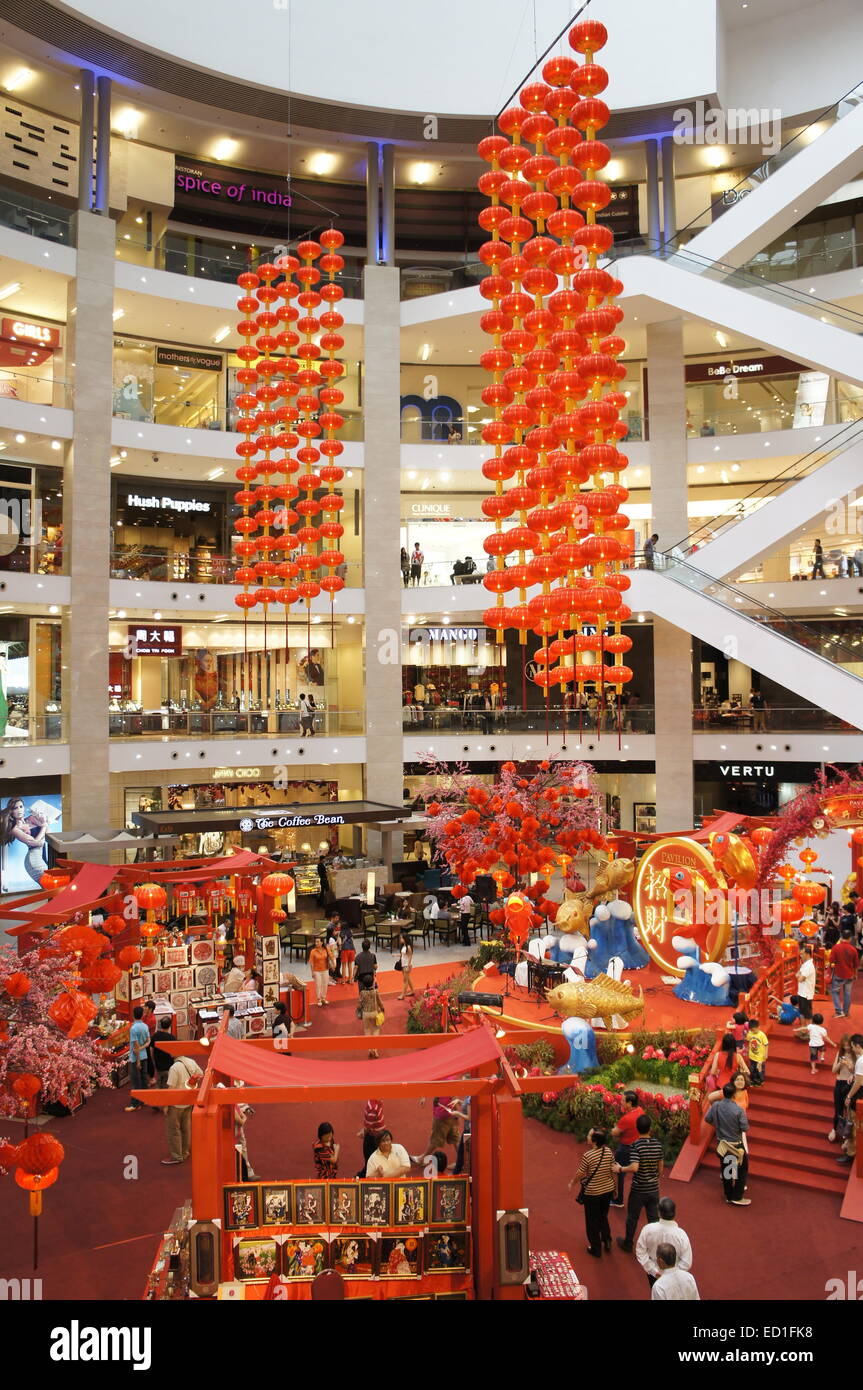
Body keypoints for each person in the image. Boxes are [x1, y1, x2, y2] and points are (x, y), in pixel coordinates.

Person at [614, 1113, 663, 1251]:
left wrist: (621, 1169)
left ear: (637, 1128)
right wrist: (655, 1177)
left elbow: (634, 1167)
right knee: (654, 1219)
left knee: (632, 1217)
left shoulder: (636, 1145)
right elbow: (660, 1166)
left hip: (639, 1189)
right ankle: (655, 1246)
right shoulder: (657, 1144)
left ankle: (628, 1243)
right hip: (653, 1188)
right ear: (650, 1128)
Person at [569, 1127, 616, 1258]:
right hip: (607, 1190)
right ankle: (607, 1240)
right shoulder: (608, 1151)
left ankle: (595, 1248)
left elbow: (581, 1173)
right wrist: (615, 1188)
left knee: (591, 1220)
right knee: (603, 1216)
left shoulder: (588, 1156)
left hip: (593, 1192)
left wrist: (572, 1182)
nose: (587, 1137)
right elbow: (612, 1170)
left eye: (590, 1136)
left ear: (594, 1141)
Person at [704, 1081, 751, 1204]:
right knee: (742, 1169)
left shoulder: (716, 1106)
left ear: (723, 1094)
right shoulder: (738, 1110)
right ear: (734, 1094)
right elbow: (745, 1127)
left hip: (722, 1143)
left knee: (727, 1170)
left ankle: (729, 1195)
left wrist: (719, 1126)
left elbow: (707, 1119)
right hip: (735, 1144)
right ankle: (737, 1196)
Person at [636, 1197, 693, 1288]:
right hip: (675, 1276)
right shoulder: (681, 1235)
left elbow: (640, 1250)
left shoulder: (648, 1229)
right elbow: (687, 1262)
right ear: (674, 1213)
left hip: (654, 1274)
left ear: (659, 1213)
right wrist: (674, 1273)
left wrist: (653, 1270)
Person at [161, 1055, 203, 1165]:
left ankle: (176, 1156)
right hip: (188, 1100)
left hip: (176, 1104)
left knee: (174, 1130)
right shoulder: (191, 1061)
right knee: (186, 1128)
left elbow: (171, 1089)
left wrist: (166, 1105)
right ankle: (185, 1152)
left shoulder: (174, 1068)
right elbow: (201, 1073)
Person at [610, 1090, 644, 1207]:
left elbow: (615, 1133)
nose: (621, 1102)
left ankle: (618, 1200)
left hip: (626, 1149)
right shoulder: (640, 1111)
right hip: (639, 1147)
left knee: (617, 1171)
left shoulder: (626, 1119)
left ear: (629, 1103)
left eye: (623, 1100)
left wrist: (614, 1128)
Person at [838, 1034, 863, 1165]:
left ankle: (851, 1153)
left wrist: (849, 1096)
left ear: (857, 1046)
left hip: (858, 1094)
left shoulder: (860, 1060)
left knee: (853, 1123)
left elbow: (858, 1082)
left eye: (853, 1046)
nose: (852, 1049)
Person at [829, 1035, 855, 1143]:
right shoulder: (839, 1054)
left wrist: (849, 1065)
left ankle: (846, 1134)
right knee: (838, 1109)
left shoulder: (856, 1056)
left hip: (850, 1084)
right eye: (844, 1047)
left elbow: (856, 1072)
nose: (847, 1048)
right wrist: (840, 1062)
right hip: (839, 1083)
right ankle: (835, 1129)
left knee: (848, 1111)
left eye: (848, 1046)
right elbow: (833, 1070)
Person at [125, 1005, 151, 1111]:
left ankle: (135, 1104)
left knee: (136, 1081)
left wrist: (138, 1061)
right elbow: (148, 1041)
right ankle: (144, 1099)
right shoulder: (145, 1026)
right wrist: (142, 1048)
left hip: (136, 1058)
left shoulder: (133, 1028)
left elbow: (135, 1047)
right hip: (144, 1055)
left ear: (133, 1015)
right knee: (144, 1079)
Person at [829, 928, 859, 1018]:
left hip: (839, 973)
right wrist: (855, 974)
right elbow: (856, 964)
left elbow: (832, 961)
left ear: (841, 937)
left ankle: (838, 1012)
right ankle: (846, 1013)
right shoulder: (853, 949)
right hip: (849, 974)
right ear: (850, 938)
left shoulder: (835, 947)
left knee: (834, 992)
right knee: (847, 994)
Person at [357, 1098, 386, 1175]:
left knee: (372, 1162)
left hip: (376, 1137)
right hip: (373, 1140)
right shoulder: (373, 1108)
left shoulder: (376, 1102)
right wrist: (364, 1132)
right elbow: (368, 1127)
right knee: (371, 1164)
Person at [358, 976, 384, 1058]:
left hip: (366, 1013)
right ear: (372, 983)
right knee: (376, 1029)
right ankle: (375, 1050)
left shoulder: (362, 993)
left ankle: (370, 1050)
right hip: (374, 1012)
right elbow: (380, 1002)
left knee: (367, 1030)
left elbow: (359, 1005)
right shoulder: (375, 992)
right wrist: (383, 1010)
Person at [151, 1015, 176, 1090]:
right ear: (169, 1026)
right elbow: (174, 1054)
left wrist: (153, 1061)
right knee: (167, 1085)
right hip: (169, 1066)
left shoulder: (155, 1036)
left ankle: (157, 1098)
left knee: (158, 1083)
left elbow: (151, 1050)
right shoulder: (172, 1038)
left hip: (158, 1065)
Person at [746, 1016, 769, 1086]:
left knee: (760, 1069)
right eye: (751, 1030)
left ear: (758, 1027)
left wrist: (766, 1054)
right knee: (752, 1069)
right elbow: (748, 1041)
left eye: (754, 1030)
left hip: (760, 1057)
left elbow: (766, 1044)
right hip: (752, 1056)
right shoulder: (750, 1033)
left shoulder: (762, 1035)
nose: (753, 1031)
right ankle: (753, 1080)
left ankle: (761, 1080)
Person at [308, 936, 330, 1007]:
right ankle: (319, 999)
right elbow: (311, 963)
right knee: (318, 985)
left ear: (321, 942)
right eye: (316, 942)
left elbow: (330, 957)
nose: (316, 943)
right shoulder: (313, 951)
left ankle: (323, 998)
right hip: (317, 971)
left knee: (325, 984)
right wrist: (312, 972)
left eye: (318, 941)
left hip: (325, 970)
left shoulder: (325, 949)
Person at [796, 944, 816, 1021]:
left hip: (806, 993)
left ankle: (808, 1030)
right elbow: (796, 975)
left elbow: (799, 979)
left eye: (802, 954)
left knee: (807, 1014)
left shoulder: (809, 966)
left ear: (807, 954)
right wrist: (801, 976)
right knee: (802, 1012)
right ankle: (803, 1029)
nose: (801, 955)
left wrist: (801, 976)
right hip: (802, 992)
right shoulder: (805, 964)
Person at [397, 932, 416, 1000]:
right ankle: (413, 991)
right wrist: (396, 955)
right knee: (408, 979)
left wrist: (408, 966)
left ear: (405, 939)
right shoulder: (404, 946)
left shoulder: (408, 947)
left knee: (405, 981)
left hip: (406, 965)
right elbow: (403, 955)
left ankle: (402, 995)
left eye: (401, 938)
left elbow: (410, 956)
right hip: (403, 964)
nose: (400, 939)